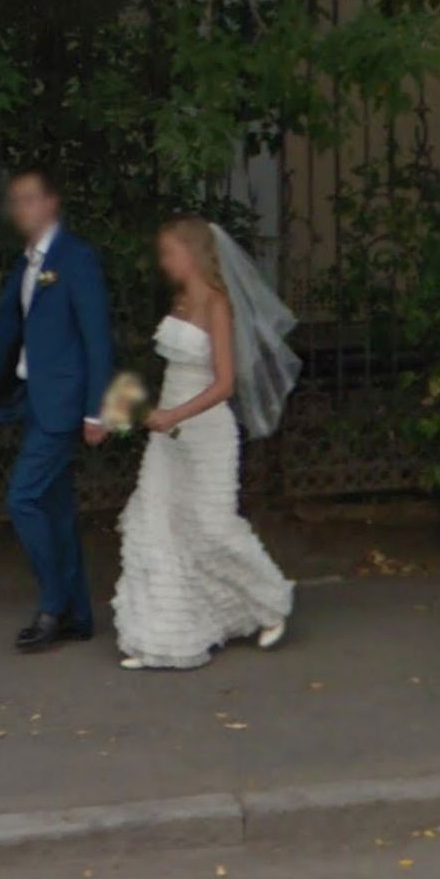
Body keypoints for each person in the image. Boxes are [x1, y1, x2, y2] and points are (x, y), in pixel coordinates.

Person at [112, 217, 300, 670]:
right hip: (169, 436)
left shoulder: (218, 304)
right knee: (158, 522)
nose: (164, 262)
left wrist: (175, 414)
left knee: (212, 526)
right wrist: (155, 411)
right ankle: (161, 638)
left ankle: (269, 603)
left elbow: (224, 384)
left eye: (169, 252)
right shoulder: (179, 301)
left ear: (192, 254)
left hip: (206, 432)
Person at [0, 169, 115, 652]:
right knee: (54, 509)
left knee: (23, 498)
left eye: (30, 198)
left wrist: (97, 410)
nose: (21, 208)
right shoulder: (27, 263)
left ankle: (52, 606)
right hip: (31, 400)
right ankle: (77, 615)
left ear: (52, 203)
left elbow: (97, 339)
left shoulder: (75, 259)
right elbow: (9, 335)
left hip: (64, 405)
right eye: (15, 200)